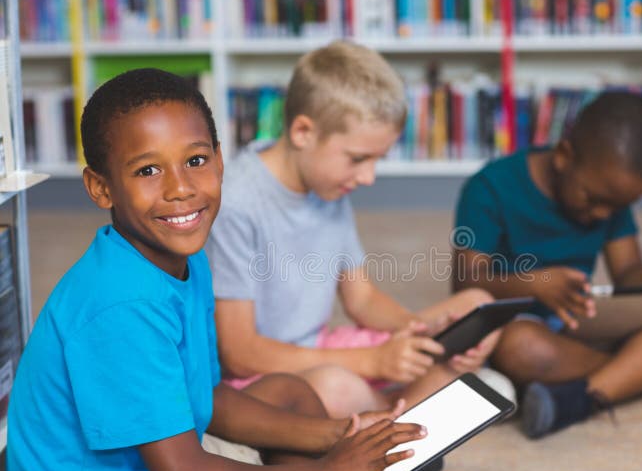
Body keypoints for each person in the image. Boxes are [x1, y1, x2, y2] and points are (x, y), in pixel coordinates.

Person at [6, 68, 424, 471]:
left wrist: (339, 433)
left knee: (288, 392)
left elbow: (207, 396)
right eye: (148, 170)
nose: (181, 188)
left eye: (196, 160)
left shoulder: (183, 258)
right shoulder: (121, 305)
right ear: (101, 187)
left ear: (220, 161)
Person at [206, 41, 499, 419]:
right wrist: (373, 362)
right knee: (336, 389)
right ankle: (405, 412)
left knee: (477, 305)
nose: (368, 177)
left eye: (377, 160)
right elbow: (241, 354)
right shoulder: (236, 204)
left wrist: (421, 330)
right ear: (302, 132)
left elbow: (360, 299)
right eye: (359, 159)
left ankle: (399, 410)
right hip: (261, 376)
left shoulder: (327, 183)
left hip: (321, 346)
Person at [452, 91, 642, 439]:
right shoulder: (488, 188)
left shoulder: (608, 191)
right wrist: (533, 283)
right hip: (519, 325)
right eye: (593, 199)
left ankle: (580, 397)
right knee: (520, 348)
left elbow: (630, 273)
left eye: (615, 207)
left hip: (582, 323)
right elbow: (465, 282)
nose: (602, 214)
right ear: (564, 155)